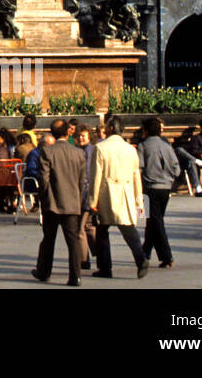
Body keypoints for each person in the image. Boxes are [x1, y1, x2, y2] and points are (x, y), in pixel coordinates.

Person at [89, 116, 147, 279]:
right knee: (128, 229)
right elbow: (137, 175)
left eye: (106, 126)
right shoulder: (130, 149)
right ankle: (141, 259)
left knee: (101, 232)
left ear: (111, 129)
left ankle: (105, 268)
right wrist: (139, 199)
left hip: (107, 194)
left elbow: (95, 177)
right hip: (126, 193)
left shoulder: (100, 148)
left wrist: (92, 201)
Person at [31, 120, 86, 286]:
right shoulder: (78, 153)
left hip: (52, 203)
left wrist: (43, 197)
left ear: (52, 133)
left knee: (49, 239)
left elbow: (44, 179)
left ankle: (44, 271)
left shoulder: (47, 151)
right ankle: (75, 276)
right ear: (68, 132)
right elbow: (82, 181)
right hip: (72, 202)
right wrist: (78, 198)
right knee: (73, 241)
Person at [138, 117, 180, 270]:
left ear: (146, 130)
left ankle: (166, 255)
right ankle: (145, 251)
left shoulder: (143, 146)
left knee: (156, 222)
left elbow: (139, 167)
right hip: (166, 187)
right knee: (153, 220)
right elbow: (177, 167)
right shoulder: (167, 145)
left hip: (150, 187)